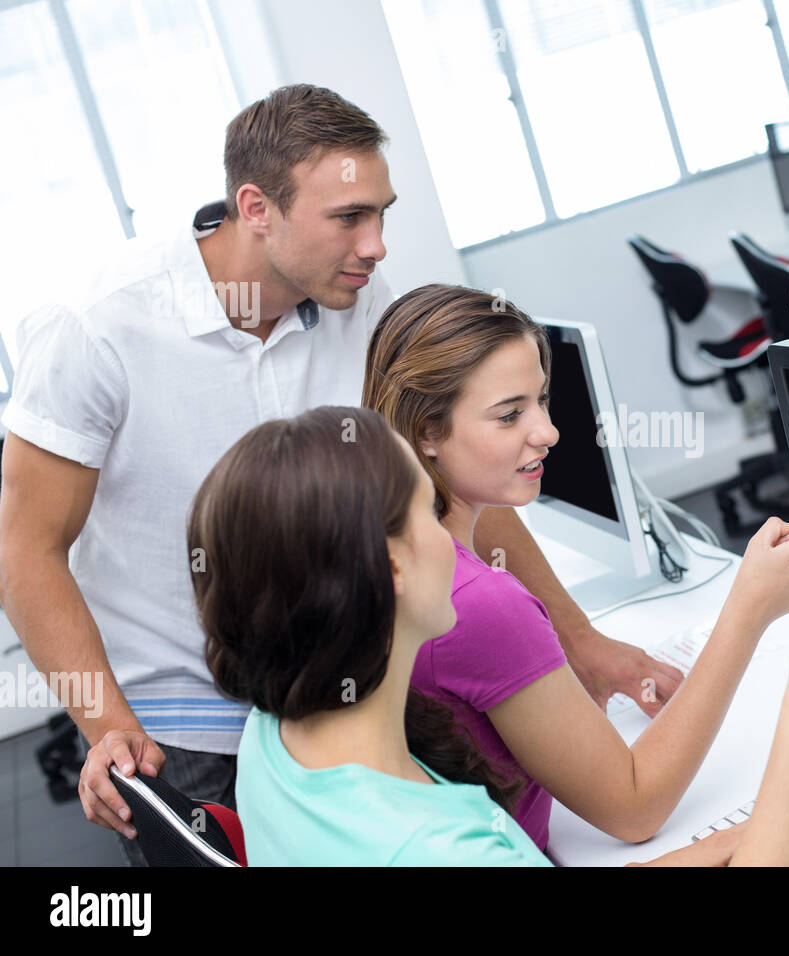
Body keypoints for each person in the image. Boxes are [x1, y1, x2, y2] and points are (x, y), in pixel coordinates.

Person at [0, 84, 680, 865]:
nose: (377, 245)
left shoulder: (361, 301)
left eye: (382, 213)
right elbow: (26, 550)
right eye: (349, 218)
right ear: (256, 207)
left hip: (333, 704)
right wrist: (105, 721)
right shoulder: (101, 328)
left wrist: (578, 637)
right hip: (184, 720)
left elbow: (445, 494)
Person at [194, 405, 789, 866]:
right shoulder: (434, 849)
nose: (453, 541)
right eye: (425, 511)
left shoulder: (276, 735)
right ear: (390, 567)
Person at [362, 284, 789, 849]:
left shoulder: (376, 539)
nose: (548, 432)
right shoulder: (478, 602)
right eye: (509, 416)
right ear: (427, 430)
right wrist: (749, 610)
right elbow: (634, 809)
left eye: (542, 400)